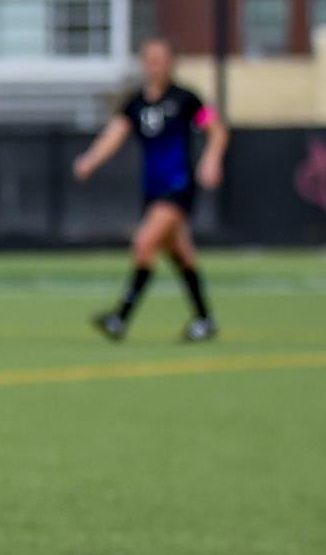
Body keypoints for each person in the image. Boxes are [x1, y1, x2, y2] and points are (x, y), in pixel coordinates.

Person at [72, 37, 227, 343]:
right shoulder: (136, 103)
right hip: (152, 190)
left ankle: (120, 318)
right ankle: (204, 320)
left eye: (162, 59)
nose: (157, 65)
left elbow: (216, 129)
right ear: (143, 63)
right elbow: (114, 134)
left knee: (144, 243)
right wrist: (90, 160)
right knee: (181, 255)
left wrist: (211, 159)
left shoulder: (186, 99)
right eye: (151, 59)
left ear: (171, 63)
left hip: (178, 186)